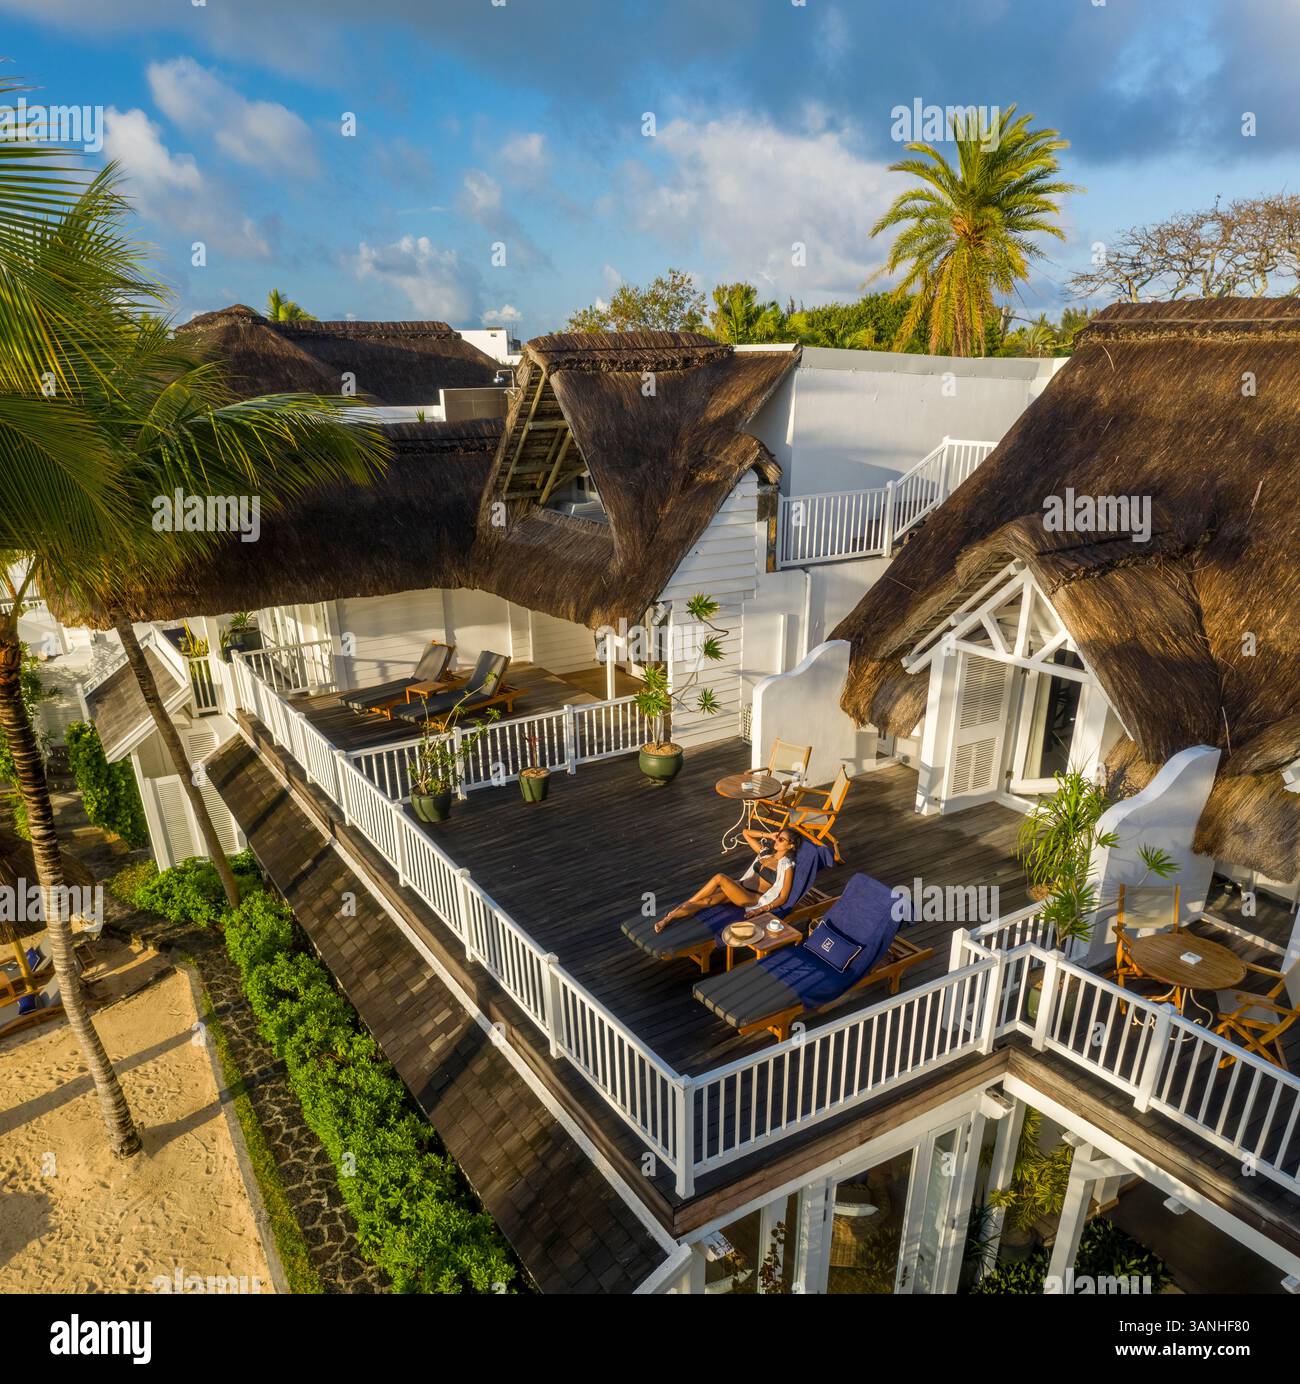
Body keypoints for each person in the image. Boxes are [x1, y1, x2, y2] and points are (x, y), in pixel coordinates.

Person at [653, 826, 801, 933]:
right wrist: (769, 835)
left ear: (791, 845)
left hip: (750, 896)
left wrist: (761, 909)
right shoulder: (766, 853)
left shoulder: (786, 866)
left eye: (782, 839)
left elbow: (783, 897)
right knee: (707, 901)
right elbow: (745, 833)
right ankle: (668, 918)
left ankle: (688, 903)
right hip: (739, 887)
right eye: (778, 836)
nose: (777, 840)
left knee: (720, 878)